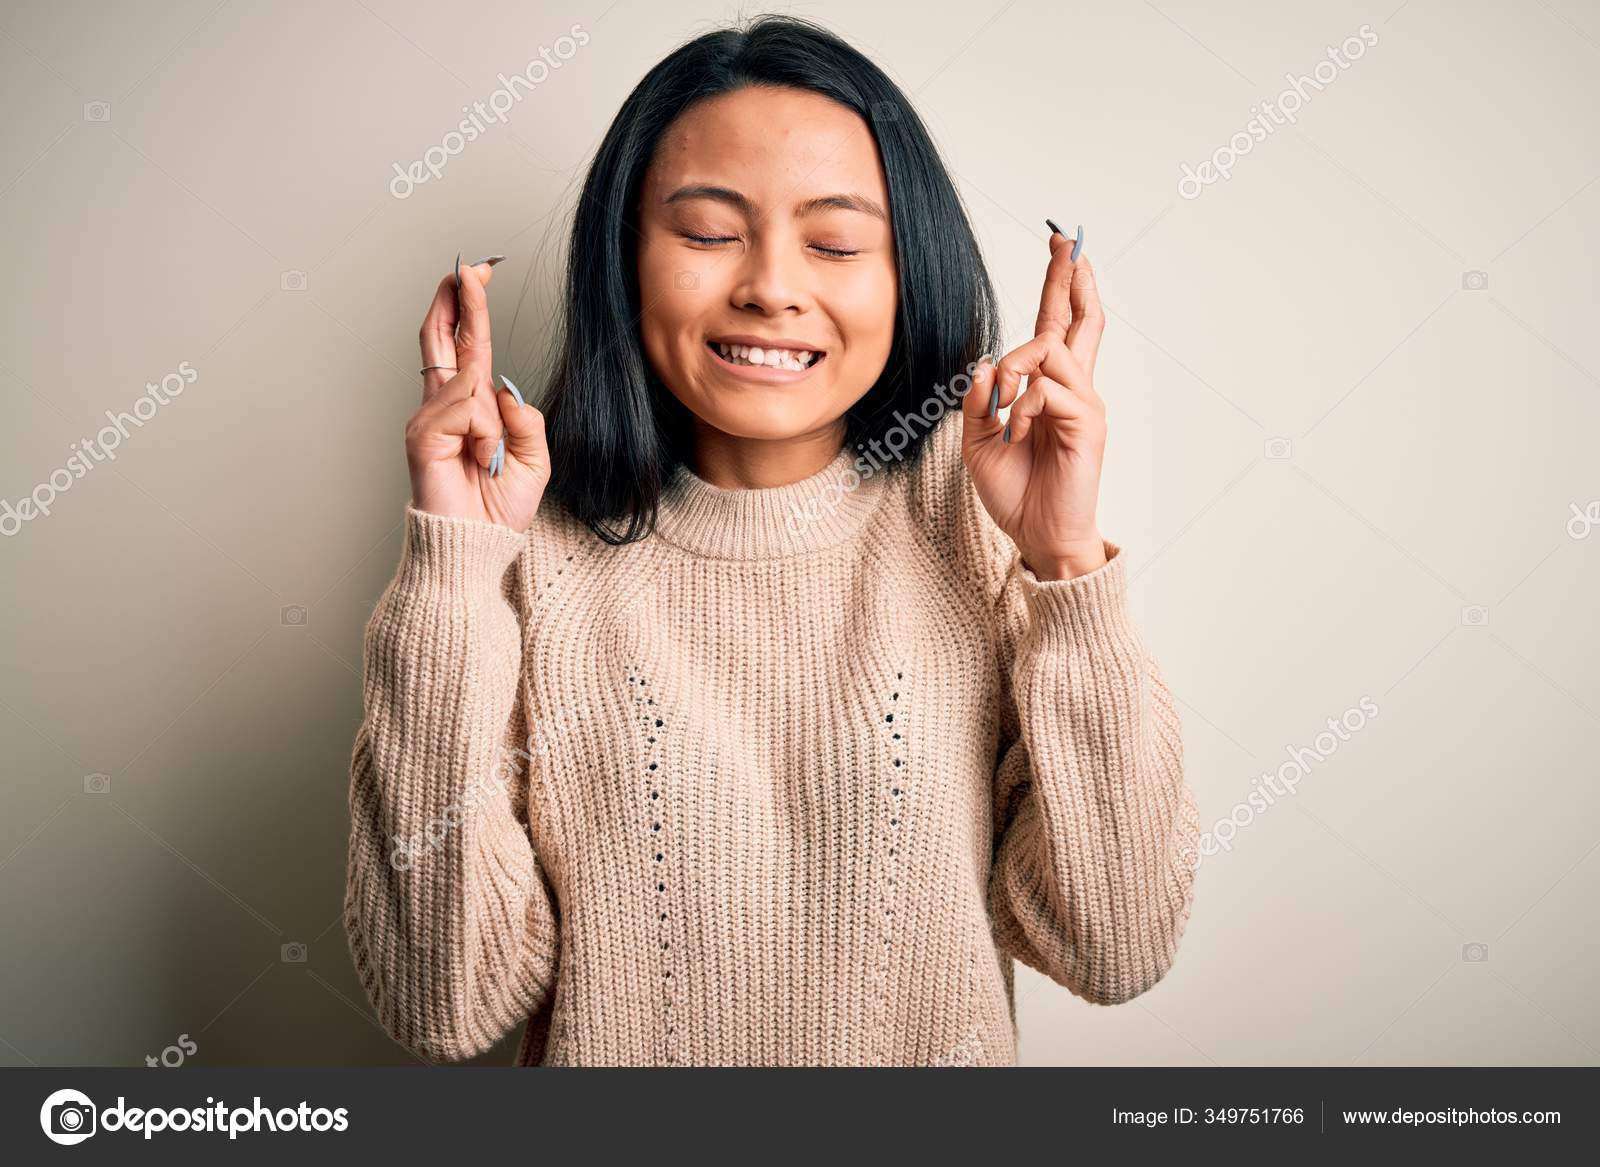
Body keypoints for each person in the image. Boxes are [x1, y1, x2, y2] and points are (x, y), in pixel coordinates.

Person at [344, 14, 1199, 1067]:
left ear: (909, 273)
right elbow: (442, 1004)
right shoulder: (518, 546)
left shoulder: (979, 525)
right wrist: (451, 574)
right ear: (624, 261)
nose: (771, 287)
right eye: (709, 233)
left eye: (834, 243)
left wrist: (1064, 564)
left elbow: (1113, 947)